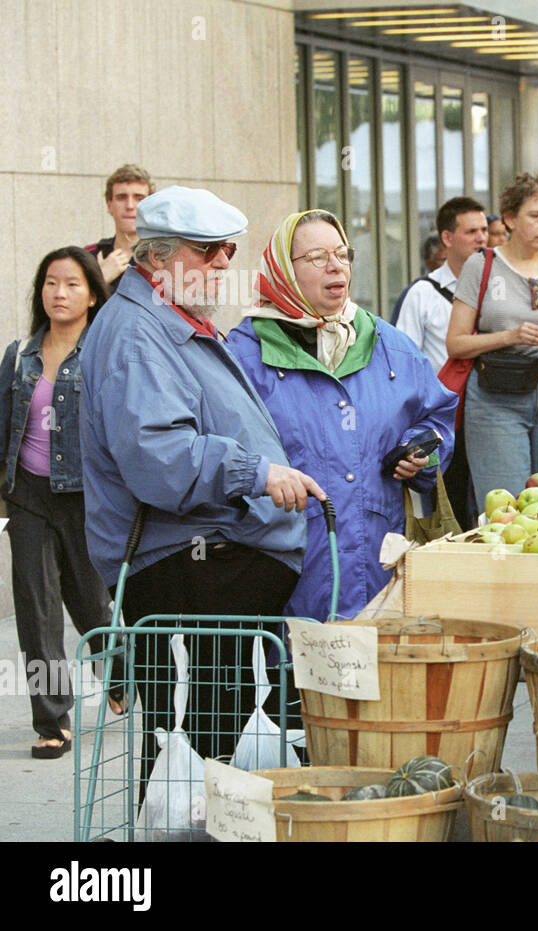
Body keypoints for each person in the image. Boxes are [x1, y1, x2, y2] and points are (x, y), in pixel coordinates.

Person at [79, 186, 323, 789]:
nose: (222, 263)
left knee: (206, 743)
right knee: (188, 754)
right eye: (207, 251)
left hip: (205, 563)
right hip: (184, 567)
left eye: (228, 250)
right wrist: (257, 473)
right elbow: (159, 460)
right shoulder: (138, 334)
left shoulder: (172, 319)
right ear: (156, 259)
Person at [228, 209, 458, 622]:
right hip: (287, 566)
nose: (336, 266)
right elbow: (228, 457)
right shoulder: (246, 354)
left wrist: (420, 455)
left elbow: (438, 418)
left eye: (342, 254)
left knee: (377, 674)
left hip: (379, 560)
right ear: (283, 269)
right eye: (317, 257)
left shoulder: (388, 345)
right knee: (298, 676)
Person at [0, 247, 112, 758]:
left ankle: (119, 672)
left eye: (70, 284)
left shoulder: (105, 352)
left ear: (92, 294)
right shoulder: (18, 354)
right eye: (50, 283)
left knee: (92, 604)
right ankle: (52, 720)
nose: (59, 293)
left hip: (86, 495)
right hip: (28, 495)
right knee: (36, 608)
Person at [445, 172, 538, 510]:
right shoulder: (481, 265)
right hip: (497, 395)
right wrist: (509, 336)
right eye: (535, 215)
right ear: (509, 218)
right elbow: (456, 343)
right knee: (504, 508)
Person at [394, 198, 487, 530]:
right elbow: (404, 365)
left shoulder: (498, 288)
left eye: (485, 230)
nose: (481, 238)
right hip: (449, 421)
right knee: (455, 505)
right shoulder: (422, 294)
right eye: (471, 231)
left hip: (494, 411)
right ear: (447, 238)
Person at [84, 164, 154, 294]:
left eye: (139, 198)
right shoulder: (88, 257)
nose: (130, 206)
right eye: (121, 197)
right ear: (109, 205)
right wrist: (100, 278)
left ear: (150, 207)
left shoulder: (164, 257)